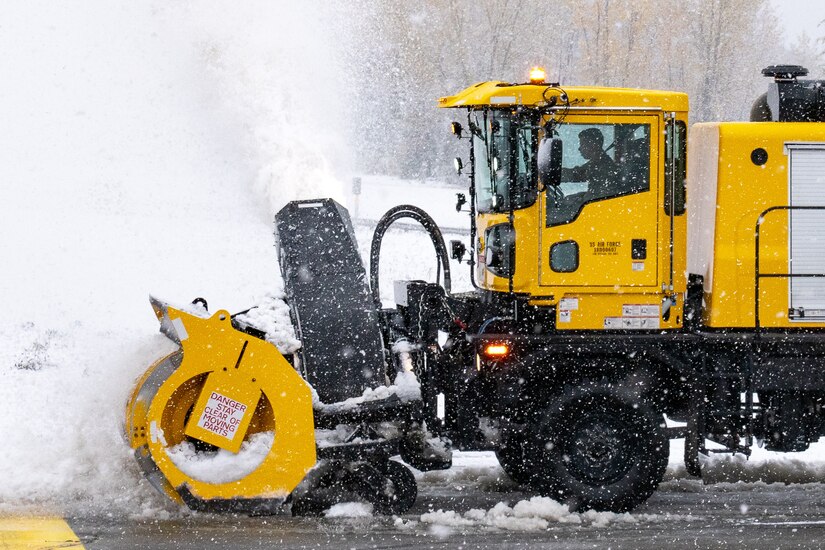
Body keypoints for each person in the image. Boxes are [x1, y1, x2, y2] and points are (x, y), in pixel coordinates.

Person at [561, 127, 616, 199]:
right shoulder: (596, 162)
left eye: (582, 144)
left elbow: (600, 197)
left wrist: (552, 173)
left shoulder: (603, 166)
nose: (579, 148)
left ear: (594, 145)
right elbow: (576, 173)